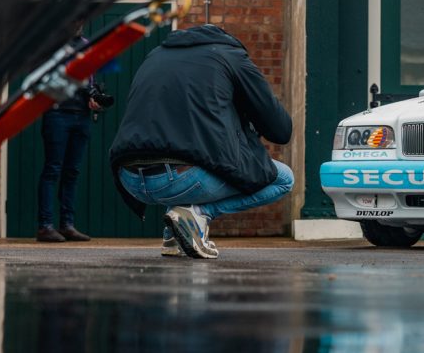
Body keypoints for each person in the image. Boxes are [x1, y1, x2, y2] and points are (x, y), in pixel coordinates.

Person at [109, 24, 293, 259]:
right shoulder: (231, 55)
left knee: (186, 154)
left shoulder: (155, 55)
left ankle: (173, 234)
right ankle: (199, 214)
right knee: (284, 179)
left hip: (130, 180)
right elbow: (281, 131)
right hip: (181, 179)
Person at [35, 24, 103, 243]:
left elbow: (91, 81)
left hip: (82, 115)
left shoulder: (86, 45)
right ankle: (45, 226)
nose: (77, 23)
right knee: (53, 169)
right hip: (57, 114)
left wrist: (94, 97)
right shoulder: (50, 46)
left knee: (72, 171)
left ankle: (67, 225)